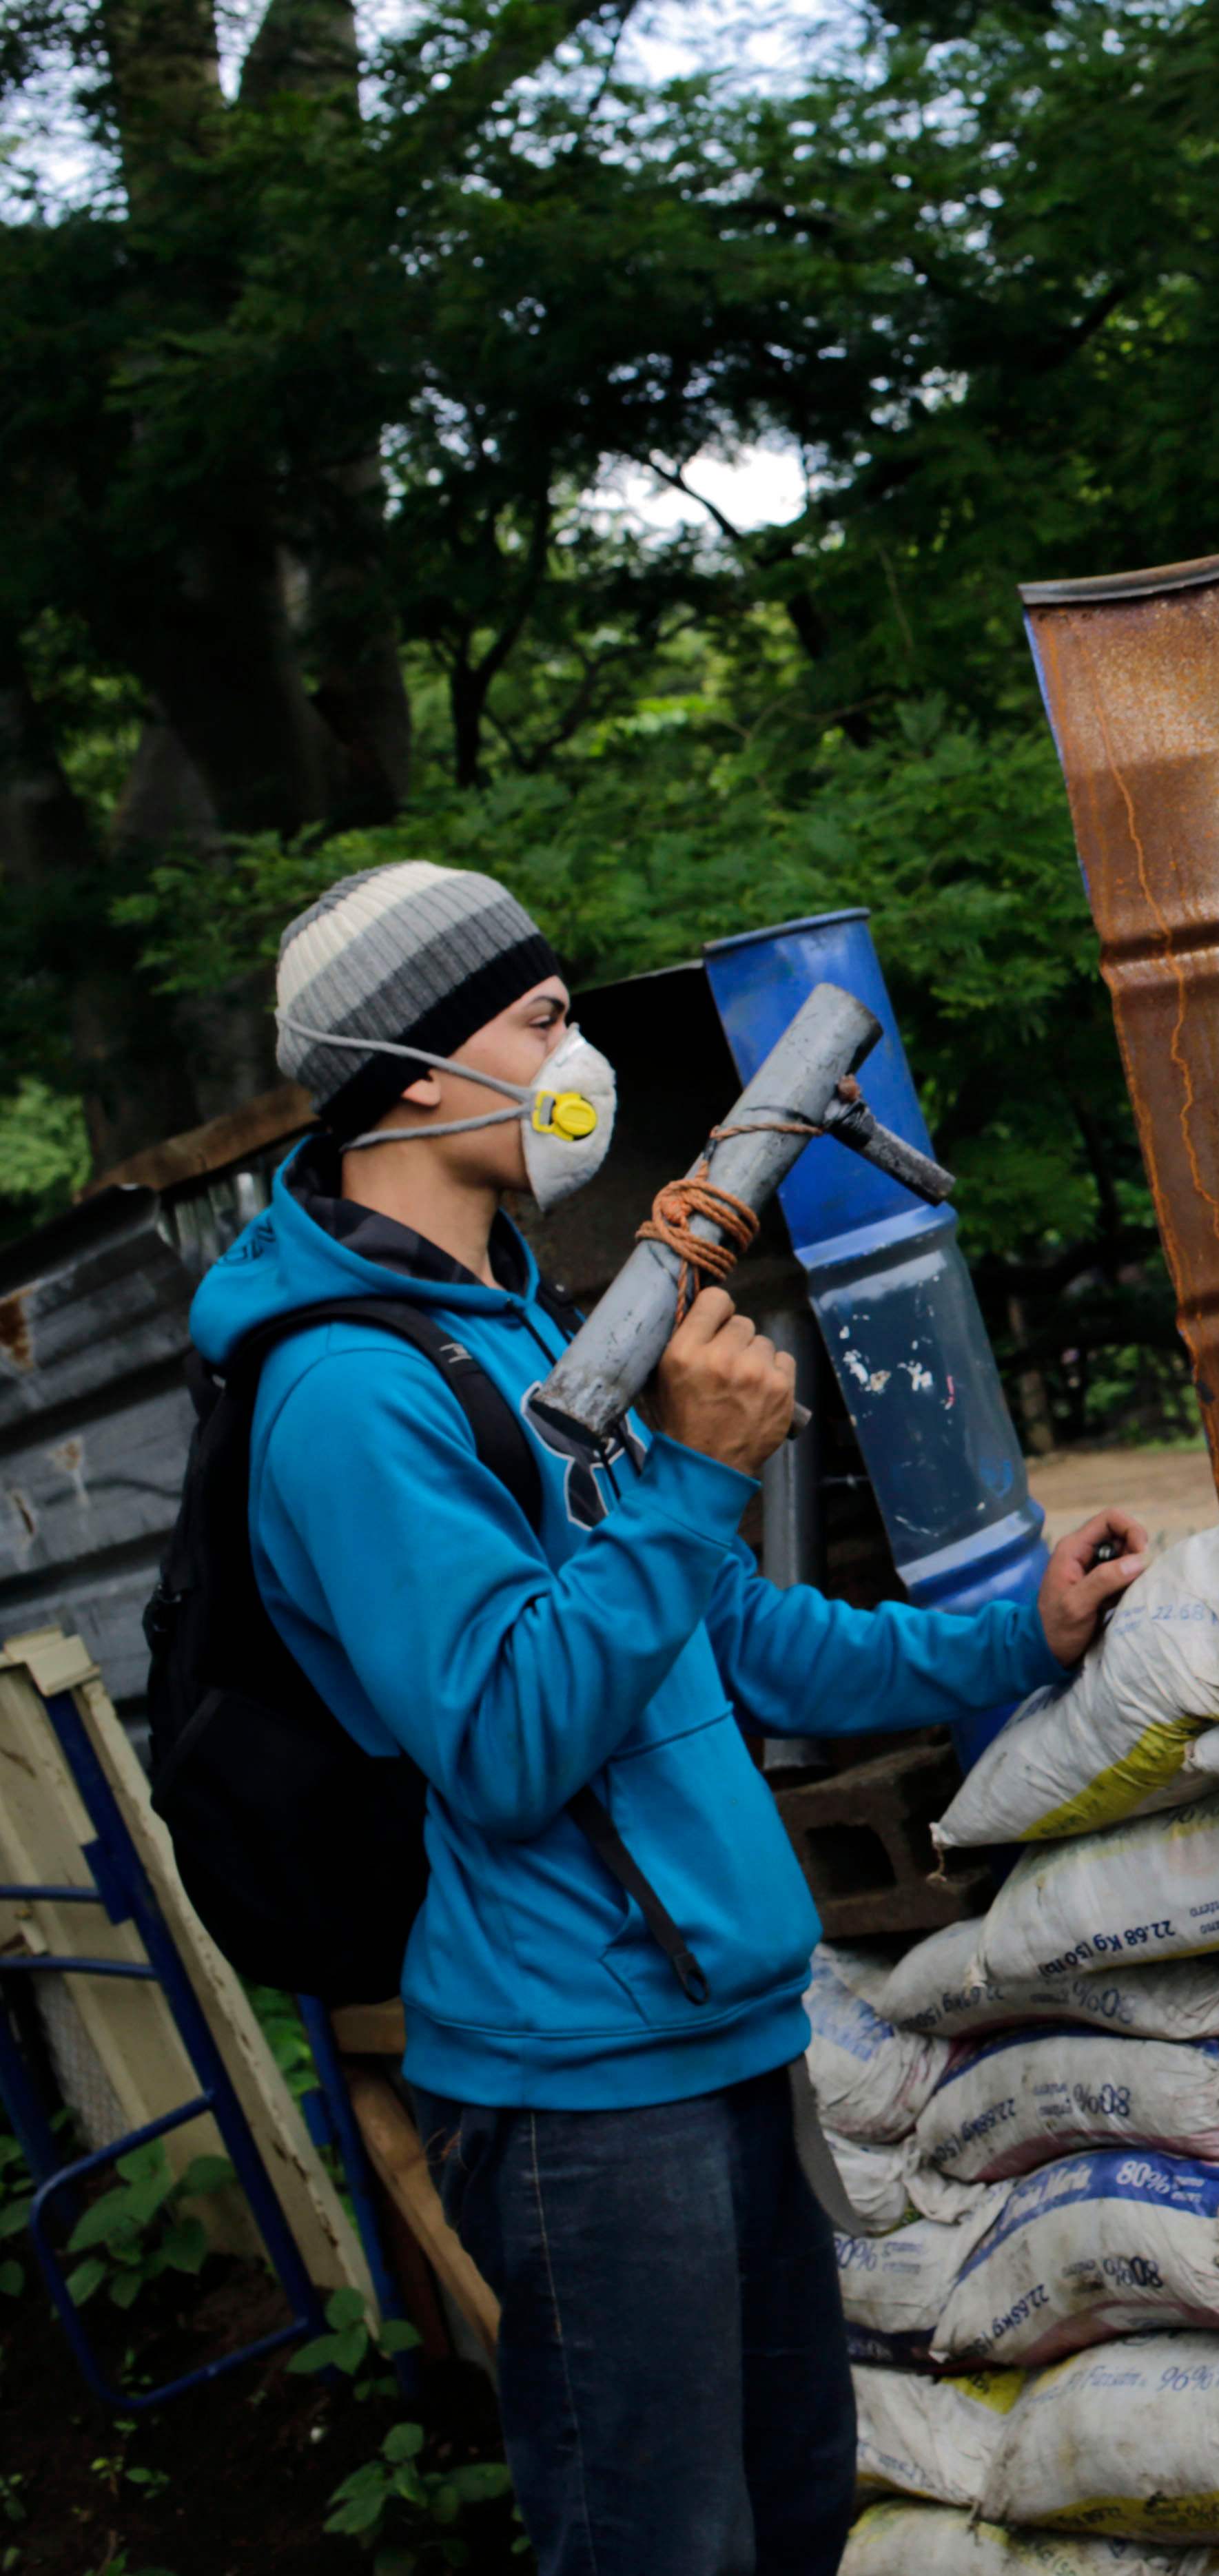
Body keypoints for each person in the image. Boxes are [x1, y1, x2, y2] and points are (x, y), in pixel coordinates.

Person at [189, 861, 1149, 2576]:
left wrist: (1021, 1636)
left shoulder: (515, 1326)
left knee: (786, 2517)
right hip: (576, 2083)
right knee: (657, 2545)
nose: (581, 1065)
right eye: (544, 1021)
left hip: (721, 2034)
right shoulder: (347, 1393)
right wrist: (698, 1473)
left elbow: (735, 1640)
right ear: (414, 1070)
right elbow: (499, 1735)